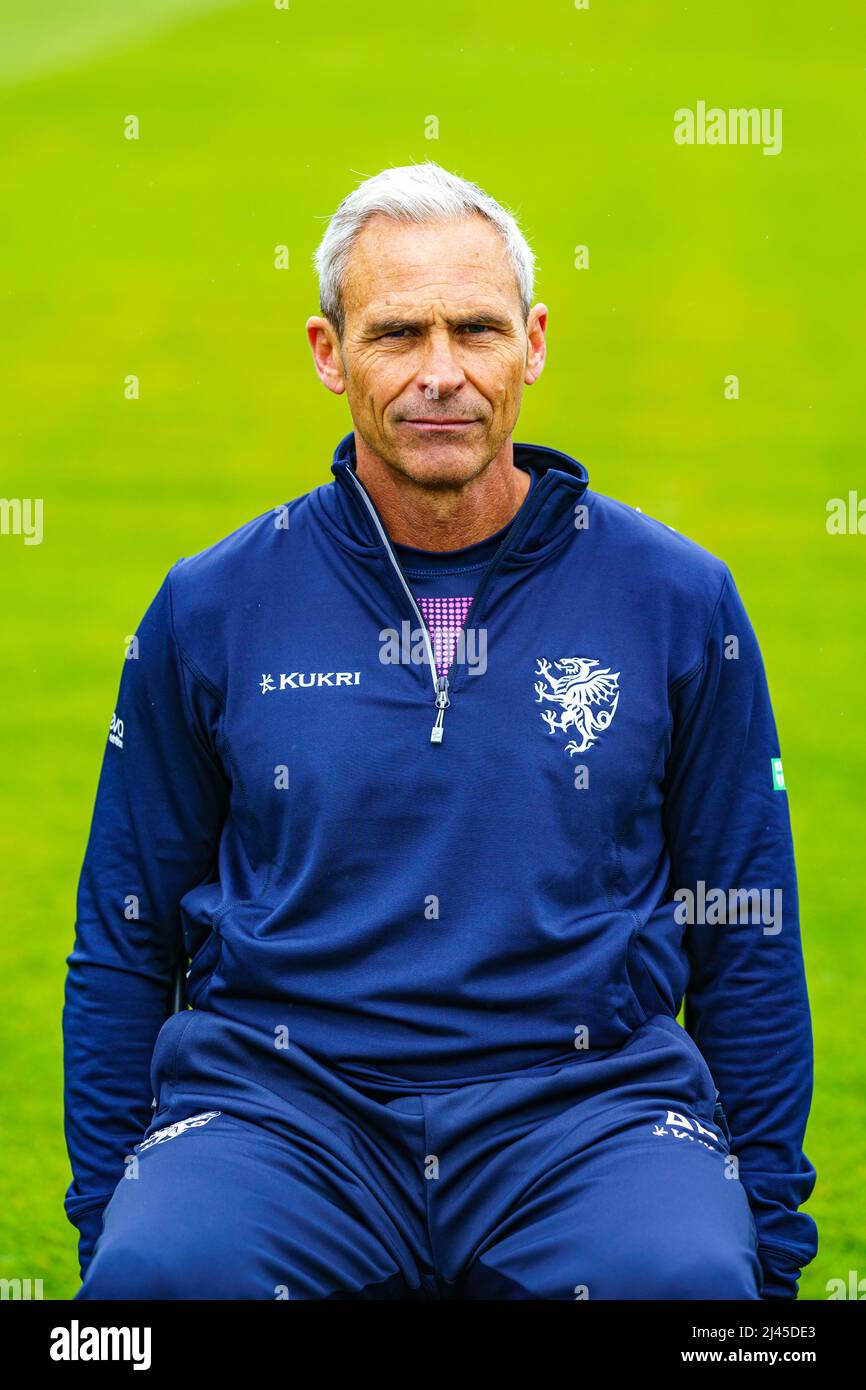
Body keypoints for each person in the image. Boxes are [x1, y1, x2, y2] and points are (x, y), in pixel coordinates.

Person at [64, 161, 817, 1300]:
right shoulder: (210, 604)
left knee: (682, 1284)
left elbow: (745, 933)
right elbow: (125, 933)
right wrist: (108, 1214)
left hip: (586, 1113)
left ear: (533, 342)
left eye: (476, 329)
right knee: (162, 1279)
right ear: (327, 352)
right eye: (395, 333)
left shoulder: (675, 597)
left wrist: (762, 1239)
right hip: (282, 1111)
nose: (440, 374)